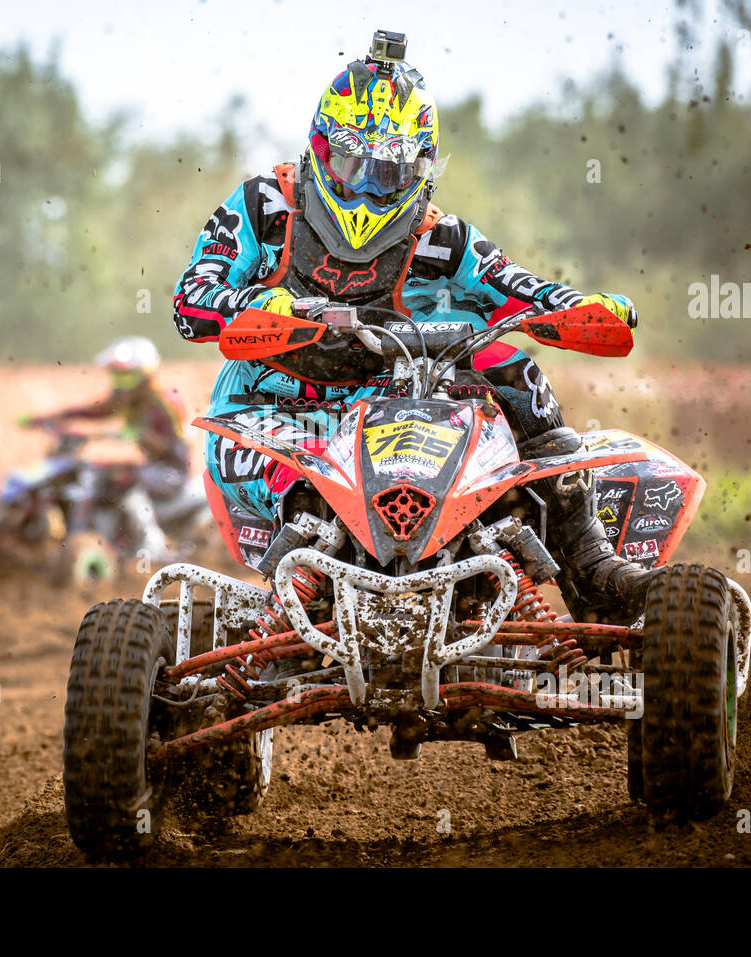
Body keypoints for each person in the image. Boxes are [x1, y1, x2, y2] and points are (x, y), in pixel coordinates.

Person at [171, 32, 654, 624]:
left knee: (510, 365)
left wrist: (582, 309)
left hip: (386, 410)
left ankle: (588, 565)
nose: (371, 187)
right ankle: (297, 593)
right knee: (300, 493)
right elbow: (189, 302)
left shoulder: (440, 235)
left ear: (421, 169)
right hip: (266, 410)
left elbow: (525, 291)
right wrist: (262, 305)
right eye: (354, 167)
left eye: (389, 173)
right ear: (320, 151)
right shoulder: (262, 206)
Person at [23, 336, 190, 562]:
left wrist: (140, 435)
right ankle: (105, 538)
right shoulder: (125, 397)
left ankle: (153, 545)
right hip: (150, 466)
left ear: (144, 372)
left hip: (171, 471)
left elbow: (176, 443)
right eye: (116, 374)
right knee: (99, 474)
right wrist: (49, 419)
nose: (119, 380)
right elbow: (92, 411)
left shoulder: (166, 400)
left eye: (125, 374)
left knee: (126, 477)